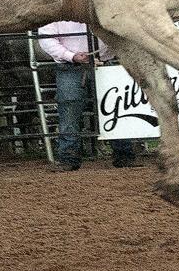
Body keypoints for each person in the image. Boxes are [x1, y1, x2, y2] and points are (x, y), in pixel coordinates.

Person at [37, 20, 137, 171]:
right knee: (111, 108)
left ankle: (70, 157)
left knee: (75, 109)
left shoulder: (58, 10)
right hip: (78, 64)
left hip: (90, 63)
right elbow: (46, 38)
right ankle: (123, 153)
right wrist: (71, 56)